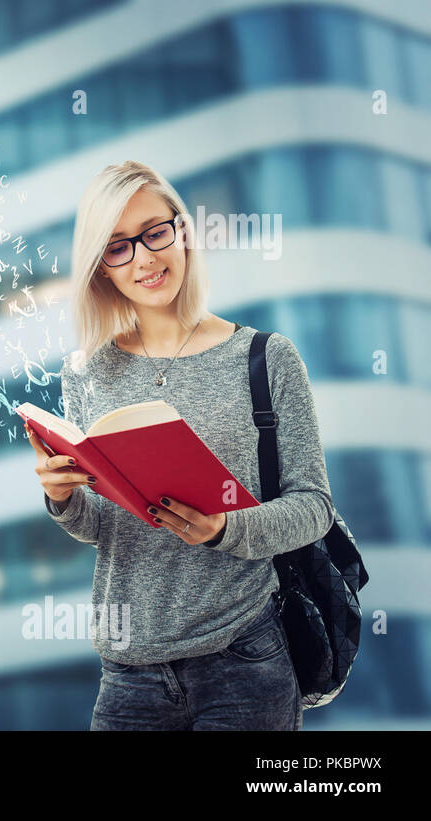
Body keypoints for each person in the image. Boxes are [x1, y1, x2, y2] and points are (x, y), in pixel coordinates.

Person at [25, 160, 335, 730]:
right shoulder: (88, 374)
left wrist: (225, 530)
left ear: (183, 231)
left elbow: (314, 507)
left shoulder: (265, 359)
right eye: (118, 247)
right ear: (102, 269)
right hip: (128, 669)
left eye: (154, 232)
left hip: (245, 657)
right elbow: (105, 526)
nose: (144, 258)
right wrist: (63, 498)